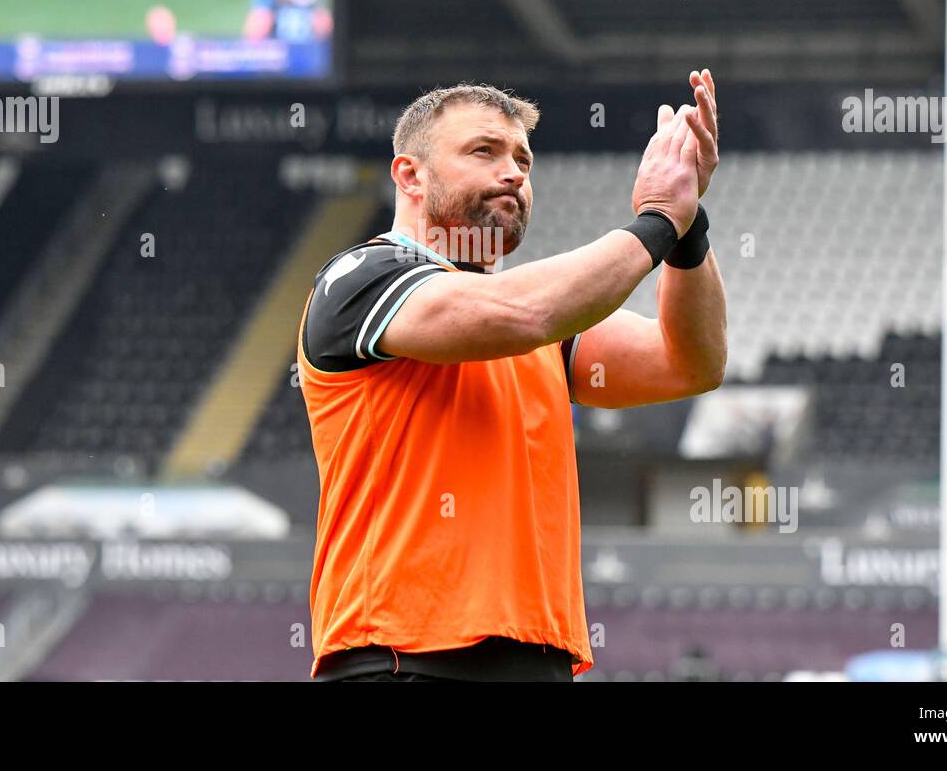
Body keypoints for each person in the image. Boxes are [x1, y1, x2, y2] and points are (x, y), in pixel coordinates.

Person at [298, 73, 727, 681]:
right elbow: (526, 313)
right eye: (484, 151)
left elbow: (689, 362)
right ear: (410, 175)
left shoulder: (533, 317)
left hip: (535, 659)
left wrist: (688, 229)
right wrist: (658, 220)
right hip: (401, 656)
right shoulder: (363, 276)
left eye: (523, 158)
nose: (515, 173)